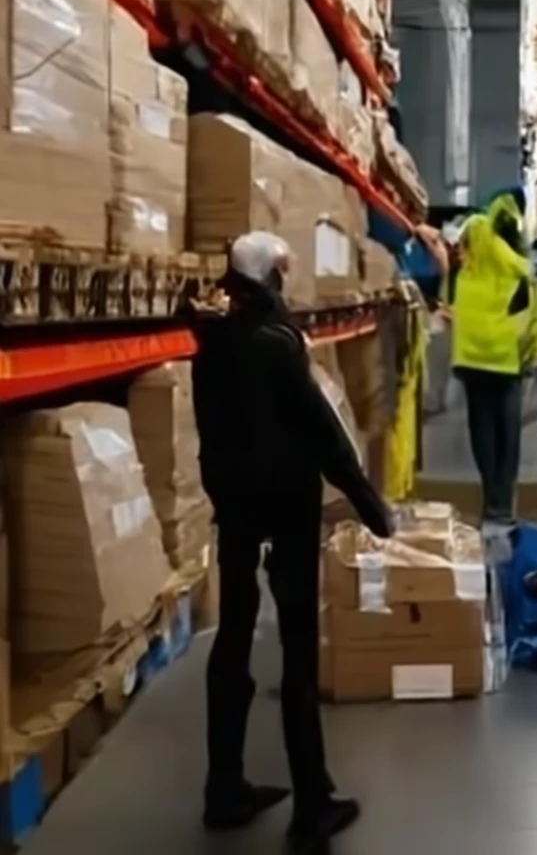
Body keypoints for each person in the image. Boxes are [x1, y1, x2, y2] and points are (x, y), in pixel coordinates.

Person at [189, 231, 392, 849]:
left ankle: (224, 789)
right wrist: (373, 509)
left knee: (233, 640)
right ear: (275, 274)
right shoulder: (276, 344)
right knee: (300, 651)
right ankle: (313, 802)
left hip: (234, 508)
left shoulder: (210, 344)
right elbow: (325, 435)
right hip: (285, 510)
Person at [449, 187, 537, 524]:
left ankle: (491, 499)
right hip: (507, 356)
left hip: (473, 355)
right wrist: (531, 355)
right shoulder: (521, 262)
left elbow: (455, 244)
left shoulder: (475, 231)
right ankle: (503, 505)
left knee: (483, 429)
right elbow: (534, 317)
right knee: (509, 432)